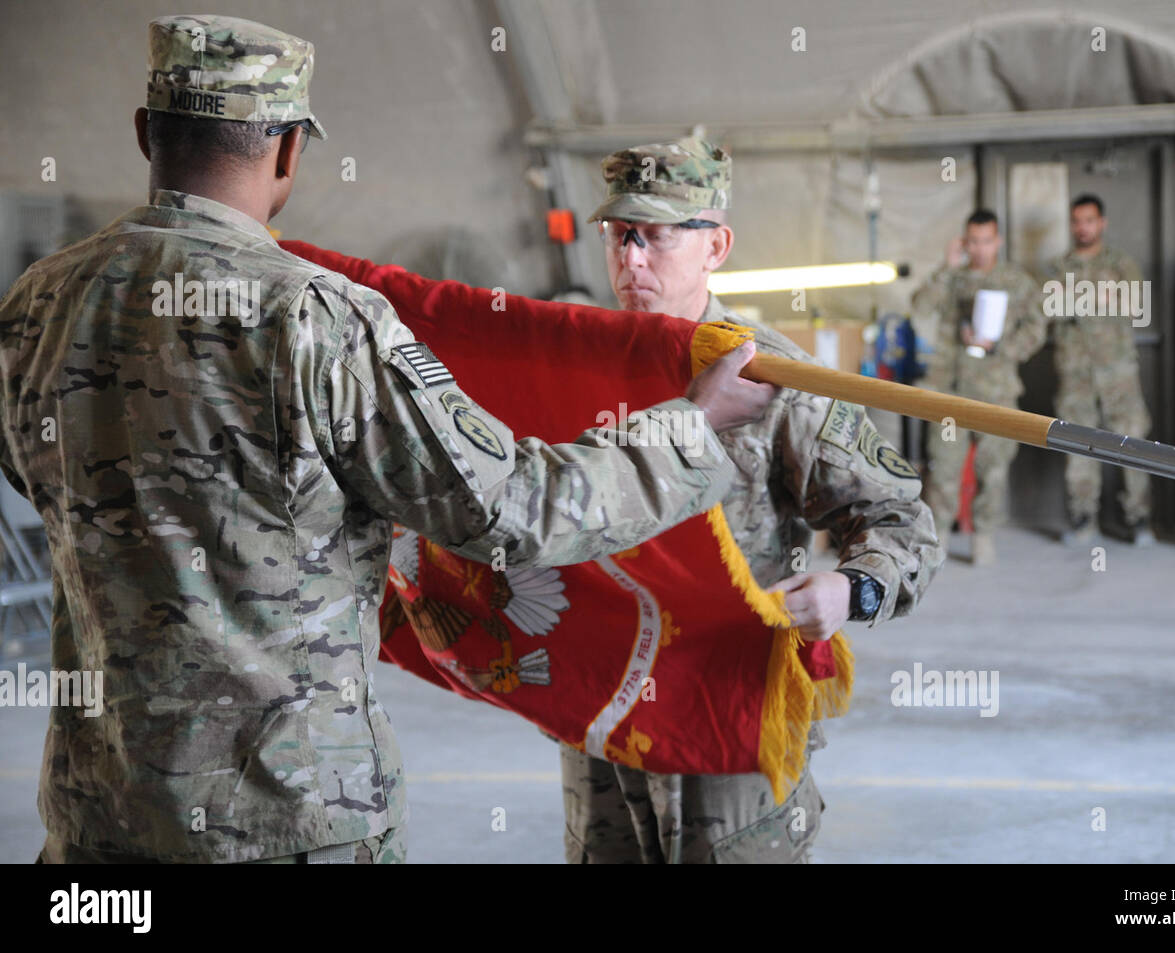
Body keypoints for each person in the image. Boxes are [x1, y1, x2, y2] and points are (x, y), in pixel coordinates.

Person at [0, 15, 773, 864]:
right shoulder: (319, 317)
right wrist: (692, 430)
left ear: (147, 132)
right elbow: (511, 509)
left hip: (96, 824)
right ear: (289, 151)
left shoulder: (37, 304)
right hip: (290, 818)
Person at [557, 136, 943, 864]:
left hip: (731, 719)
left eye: (657, 237)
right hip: (606, 720)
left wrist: (851, 589)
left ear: (716, 245)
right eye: (619, 236)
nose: (630, 259)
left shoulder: (770, 376)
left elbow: (900, 522)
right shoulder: (576, 367)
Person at [911, 210, 1048, 566]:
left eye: (987, 240)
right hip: (950, 389)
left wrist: (1001, 345)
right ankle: (936, 538)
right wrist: (946, 266)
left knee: (994, 469)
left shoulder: (1016, 281)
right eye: (973, 241)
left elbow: (1037, 329)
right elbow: (920, 307)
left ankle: (983, 535)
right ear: (964, 241)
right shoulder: (952, 278)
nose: (980, 248)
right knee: (943, 468)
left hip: (997, 389)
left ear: (998, 241)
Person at [1046, 194, 1154, 546]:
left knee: (1132, 444)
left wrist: (1079, 297)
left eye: (1089, 220)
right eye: (1076, 221)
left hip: (1117, 372)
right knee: (1079, 445)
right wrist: (1102, 296)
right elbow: (1050, 308)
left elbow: (1137, 304)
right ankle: (1082, 518)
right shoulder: (1059, 267)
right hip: (1076, 373)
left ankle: (1138, 519)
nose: (1082, 227)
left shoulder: (1120, 263)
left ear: (1102, 223)